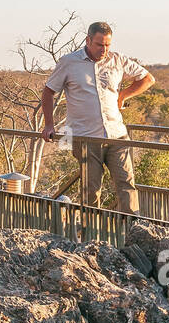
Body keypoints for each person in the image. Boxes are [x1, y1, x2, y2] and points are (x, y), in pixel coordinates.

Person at [40, 21, 154, 214]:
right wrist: (49, 125)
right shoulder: (69, 62)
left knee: (126, 184)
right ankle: (92, 237)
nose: (104, 49)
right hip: (86, 138)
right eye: (99, 44)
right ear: (88, 40)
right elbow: (48, 92)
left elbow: (148, 79)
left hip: (116, 135)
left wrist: (123, 95)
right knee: (91, 191)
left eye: (108, 45)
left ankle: (131, 234)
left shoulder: (117, 60)